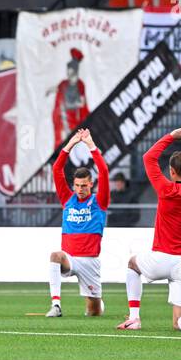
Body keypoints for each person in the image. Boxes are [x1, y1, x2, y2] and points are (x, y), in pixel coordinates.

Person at [119, 125, 181, 332]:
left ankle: (134, 318)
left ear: (171, 172)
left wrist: (172, 136)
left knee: (132, 264)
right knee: (179, 324)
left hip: (161, 258)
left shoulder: (166, 189)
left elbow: (149, 158)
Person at [46, 127, 109, 317]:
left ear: (91, 184)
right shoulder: (67, 199)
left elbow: (104, 171)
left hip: (90, 261)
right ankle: (56, 306)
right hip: (69, 257)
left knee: (93, 313)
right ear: (73, 185)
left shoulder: (99, 201)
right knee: (55, 255)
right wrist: (71, 143)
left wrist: (90, 144)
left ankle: (97, 301)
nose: (80, 189)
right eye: (77, 185)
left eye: (84, 185)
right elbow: (57, 169)